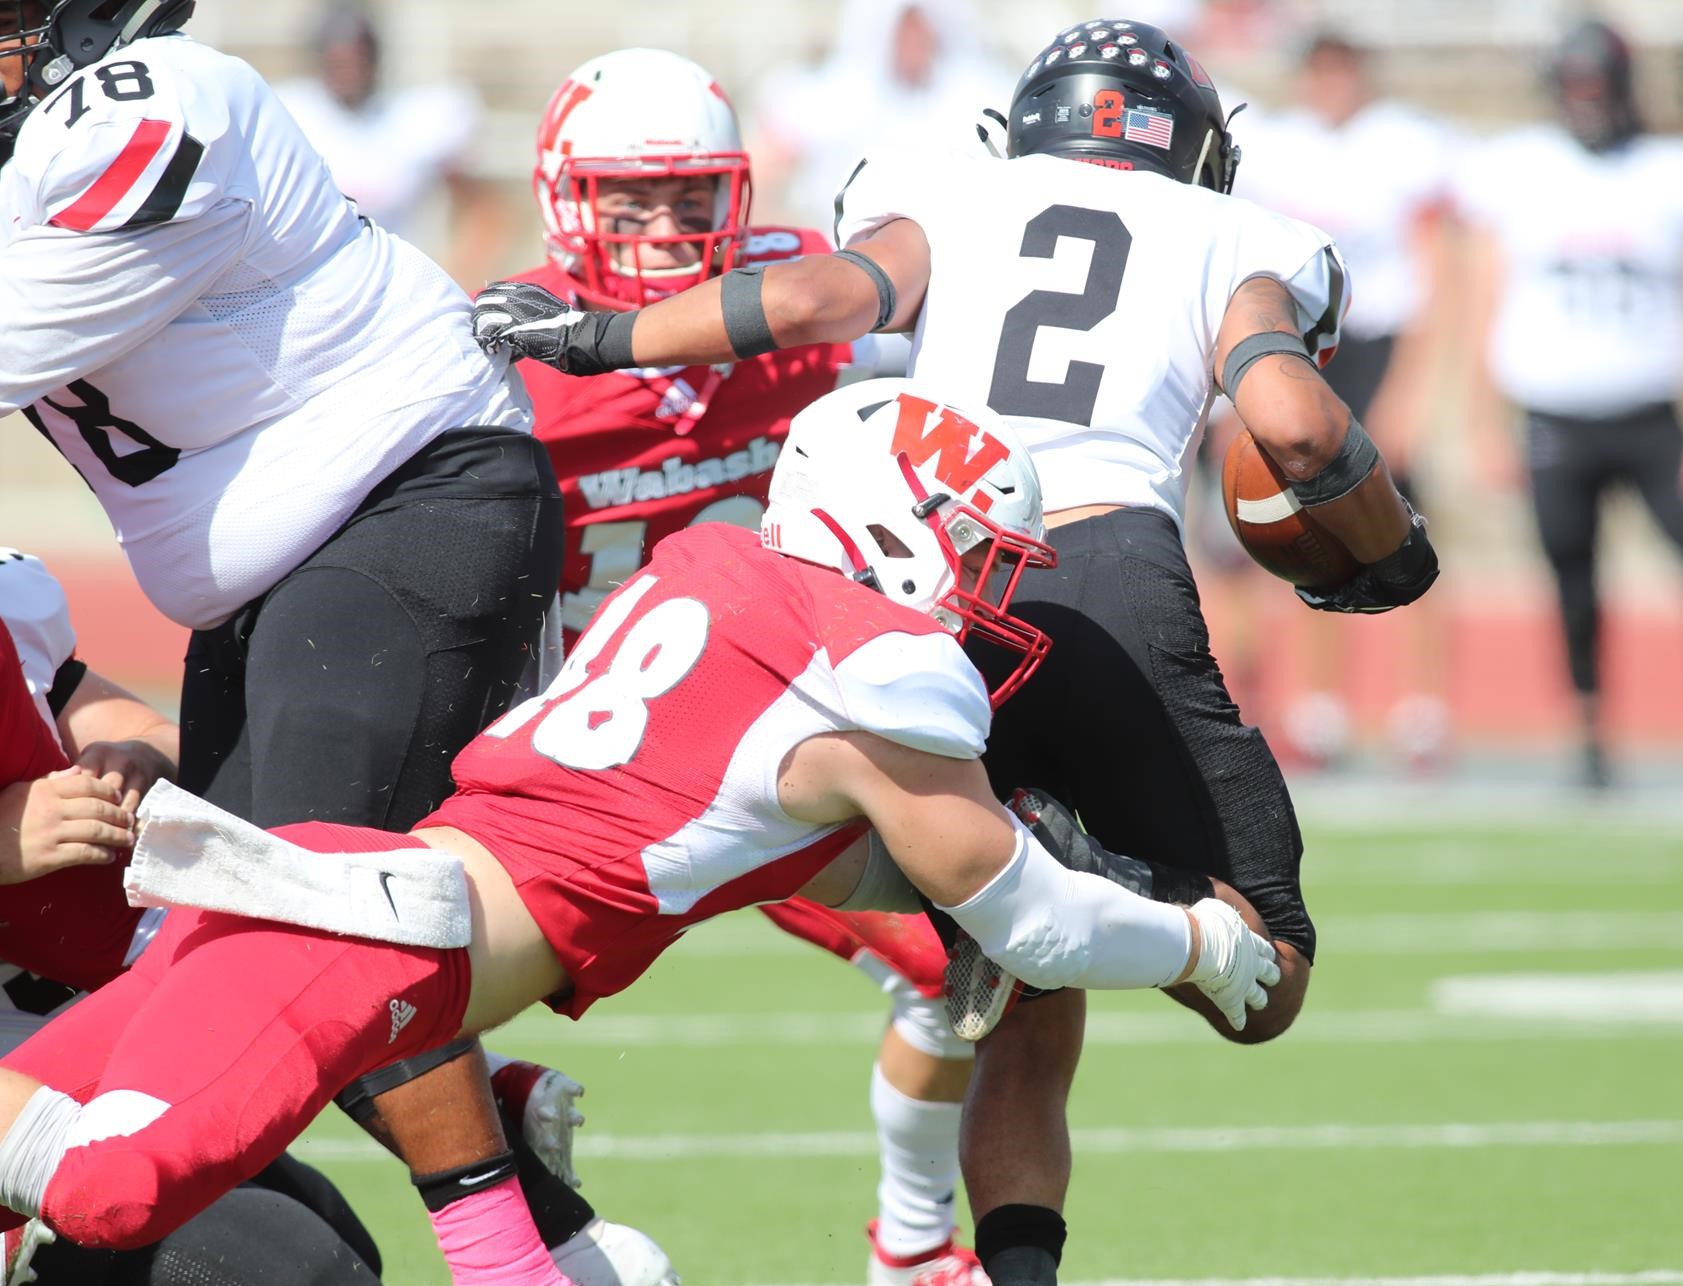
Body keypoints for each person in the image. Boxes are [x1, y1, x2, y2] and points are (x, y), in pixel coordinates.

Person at [472, 18, 1437, 1285]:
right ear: (1199, 150)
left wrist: (592, 334)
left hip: (897, 603)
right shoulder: (1244, 236)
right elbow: (1291, 426)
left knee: (1018, 976)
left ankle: (959, 1251)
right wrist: (1391, 554)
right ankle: (1105, 884)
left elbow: (821, 298)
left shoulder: (942, 185)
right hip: (1093, 578)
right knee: (1261, 970)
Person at [0, 384, 1278, 1284]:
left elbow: (753, 834)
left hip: (338, 903)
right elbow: (1039, 922)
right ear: (887, 523)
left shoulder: (708, 577)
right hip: (377, 946)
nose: (974, 587)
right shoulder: (866, 663)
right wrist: (1202, 945)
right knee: (108, 1187)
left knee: (42, 1125)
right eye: (965, 545)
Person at [0, 4, 640, 1283]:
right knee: (215, 940)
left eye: (12, 20)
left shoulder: (154, 95)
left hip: (403, 497)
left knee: (293, 910)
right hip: (299, 564)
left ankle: (528, 1256)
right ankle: (516, 1181)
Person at [514, 47, 977, 1286]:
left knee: (968, 965)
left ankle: (916, 1244)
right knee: (405, 990)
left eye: (690, 199)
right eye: (630, 198)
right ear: (570, 196)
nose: (664, 229)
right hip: (587, 755)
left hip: (781, 740)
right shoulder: (509, 358)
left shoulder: (793, 302)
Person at [0, 548, 393, 1286]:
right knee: (277, 1269)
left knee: (328, 1239)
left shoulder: (11, 597)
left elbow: (151, 731)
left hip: (80, 1047)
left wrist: (132, 761)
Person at [1455, 18, 1683, 792]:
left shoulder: (1675, 174)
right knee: (1571, 579)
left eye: (1599, 87)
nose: (1589, 103)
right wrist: (1483, 421)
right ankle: (1590, 738)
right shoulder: (1520, 172)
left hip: (1654, 413)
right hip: (1554, 413)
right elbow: (1485, 302)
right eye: (1577, 88)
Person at [1229, 31, 1457, 769]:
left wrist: (1411, 393)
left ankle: (1421, 708)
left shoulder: (1402, 145)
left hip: (1376, 342)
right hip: (1302, 351)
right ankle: (1319, 707)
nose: (1329, 83)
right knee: (1309, 535)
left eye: (1340, 69)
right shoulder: (1275, 144)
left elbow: (1434, 268)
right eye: (1318, 69)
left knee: (1403, 528)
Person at [275, 1, 508, 287]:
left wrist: (452, 279)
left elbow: (484, 211)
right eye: (338, 62)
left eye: (356, 60)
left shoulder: (414, 119)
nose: (348, 72)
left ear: (375, 58)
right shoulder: (291, 113)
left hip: (399, 294)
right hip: (311, 290)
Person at [750, 0, 1009, 228]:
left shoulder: (982, 100)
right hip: (841, 262)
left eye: (922, 29)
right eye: (905, 30)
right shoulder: (829, 99)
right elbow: (760, 172)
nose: (915, 42)